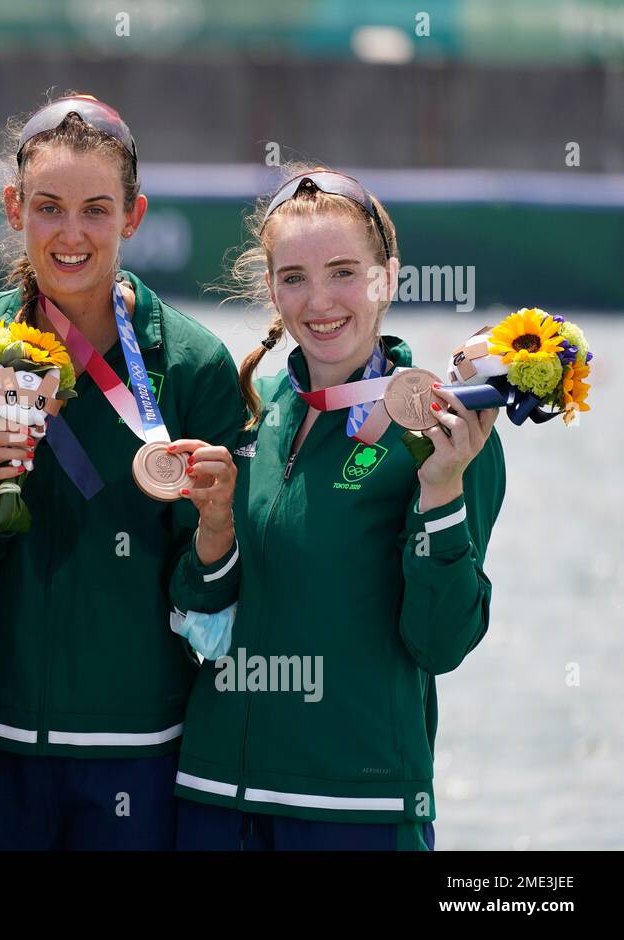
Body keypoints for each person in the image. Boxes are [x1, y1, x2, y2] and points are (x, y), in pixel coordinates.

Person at [170, 167, 505, 850]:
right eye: (293, 277)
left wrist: (440, 489)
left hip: (357, 810)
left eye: (344, 272)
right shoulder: (250, 412)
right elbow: (202, 621)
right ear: (271, 290)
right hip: (211, 799)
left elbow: (440, 644)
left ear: (389, 277)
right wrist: (211, 530)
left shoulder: (441, 427)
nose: (319, 301)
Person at [0, 94, 245, 849]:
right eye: (48, 207)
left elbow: (213, 596)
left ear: (134, 216)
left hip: (141, 749)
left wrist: (219, 524)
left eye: (96, 210)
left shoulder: (193, 363)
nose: (71, 233)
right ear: (14, 206)